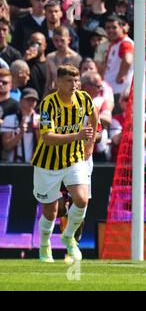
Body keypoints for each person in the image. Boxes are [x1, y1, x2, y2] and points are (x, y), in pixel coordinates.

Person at [31, 64, 98, 263]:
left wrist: (90, 144)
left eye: (76, 80)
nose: (74, 84)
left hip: (73, 159)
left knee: (82, 199)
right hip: (47, 163)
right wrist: (78, 135)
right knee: (51, 211)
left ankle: (69, 238)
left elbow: (94, 118)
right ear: (58, 82)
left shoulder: (84, 99)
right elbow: (47, 137)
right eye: (69, 80)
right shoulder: (48, 104)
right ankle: (44, 245)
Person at [1, 88, 40, 162]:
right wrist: (20, 133)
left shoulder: (40, 120)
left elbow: (45, 147)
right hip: (14, 165)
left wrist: (37, 131)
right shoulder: (9, 119)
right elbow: (6, 147)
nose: (31, 102)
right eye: (28, 99)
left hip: (35, 165)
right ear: (21, 100)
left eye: (33, 100)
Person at [45, 26, 82, 93]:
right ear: (52, 40)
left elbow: (79, 83)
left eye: (62, 40)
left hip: (71, 96)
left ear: (69, 40)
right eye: (56, 40)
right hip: (55, 95)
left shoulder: (76, 59)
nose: (59, 43)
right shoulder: (49, 58)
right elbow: (48, 83)